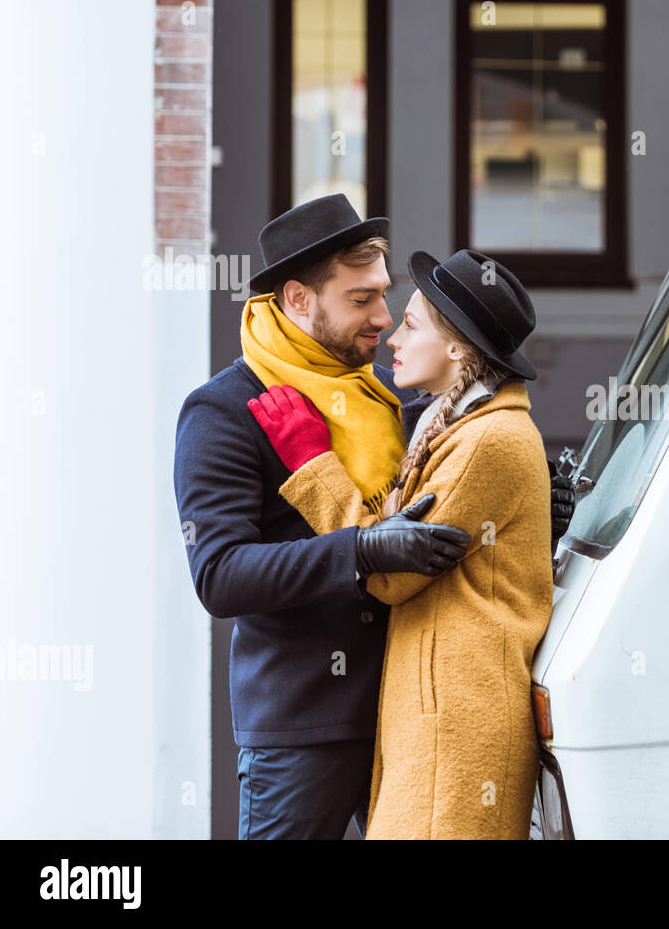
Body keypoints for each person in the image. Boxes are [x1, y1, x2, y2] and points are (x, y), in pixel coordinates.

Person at [172, 194, 573, 839]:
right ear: (299, 300)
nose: (383, 321)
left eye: (386, 298)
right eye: (361, 301)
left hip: (409, 712)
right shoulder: (223, 409)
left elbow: (452, 497)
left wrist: (535, 509)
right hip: (306, 729)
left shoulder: (391, 398)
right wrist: (358, 553)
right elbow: (220, 575)